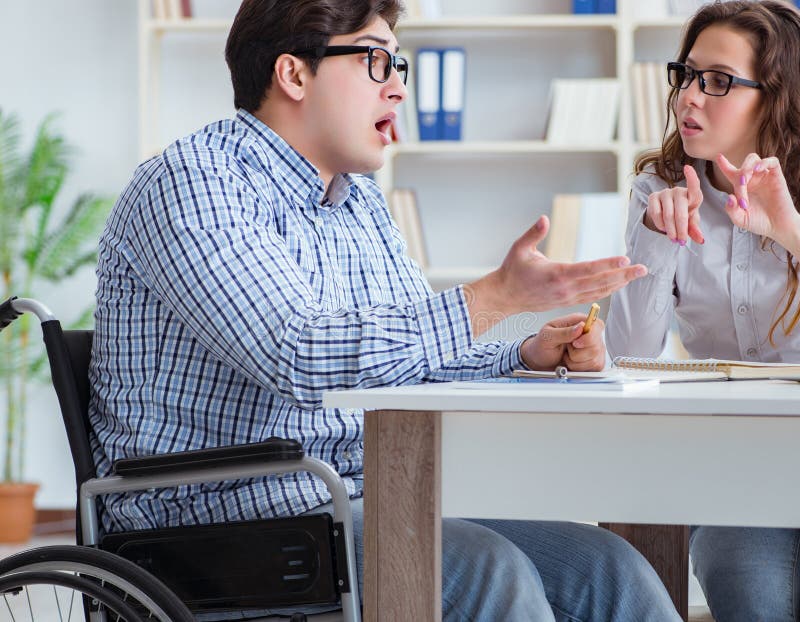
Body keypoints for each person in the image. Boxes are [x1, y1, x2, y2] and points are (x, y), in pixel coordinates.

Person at [88, 0, 679, 620]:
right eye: (376, 61)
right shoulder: (191, 184)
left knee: (610, 571)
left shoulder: (358, 201)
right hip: (212, 518)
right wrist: (494, 297)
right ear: (294, 75)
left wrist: (529, 354)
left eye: (398, 64)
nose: (399, 87)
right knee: (485, 571)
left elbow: (411, 362)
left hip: (363, 495)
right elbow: (299, 353)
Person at [606, 2, 800, 620]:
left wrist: (791, 232)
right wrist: (657, 241)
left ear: (773, 97)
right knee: (753, 594)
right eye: (686, 75)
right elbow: (628, 359)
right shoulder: (658, 188)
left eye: (717, 81)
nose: (690, 96)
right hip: (735, 469)